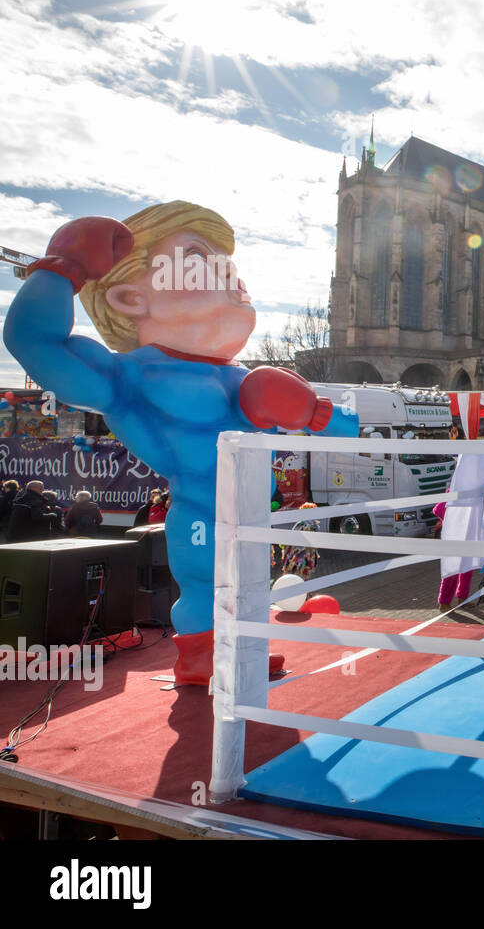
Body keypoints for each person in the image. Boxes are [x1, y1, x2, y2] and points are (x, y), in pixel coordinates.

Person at [3, 202, 358, 685]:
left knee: (249, 581)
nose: (227, 272)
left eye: (225, 260)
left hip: (252, 506)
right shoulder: (128, 375)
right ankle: (199, 657)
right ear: (131, 298)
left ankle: (241, 647)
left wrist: (323, 416)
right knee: (206, 579)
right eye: (195, 257)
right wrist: (62, 269)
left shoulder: (238, 378)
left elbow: (324, 426)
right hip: (197, 506)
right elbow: (36, 344)